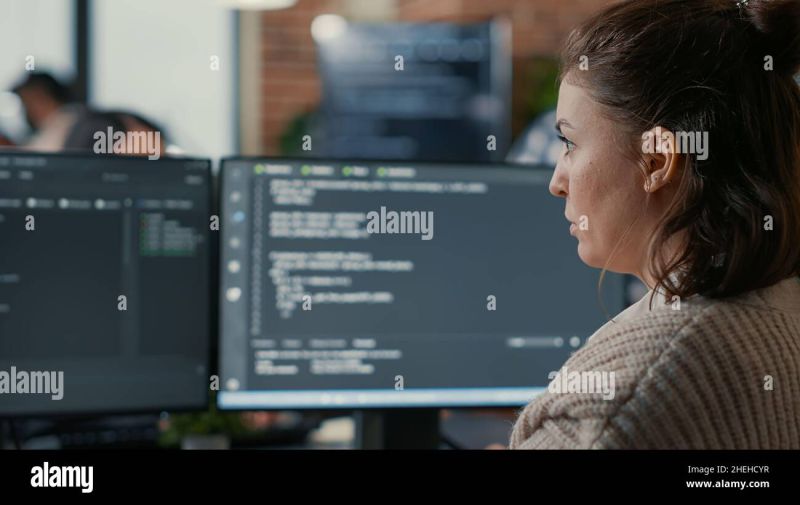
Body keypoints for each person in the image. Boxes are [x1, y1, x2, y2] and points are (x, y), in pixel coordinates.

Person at [510, 0, 800, 449]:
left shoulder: (616, 403)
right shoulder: (783, 305)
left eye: (570, 142)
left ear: (657, 160)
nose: (556, 182)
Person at [11, 72, 84, 151]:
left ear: (39, 96)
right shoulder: (51, 124)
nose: (27, 111)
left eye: (27, 103)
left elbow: (36, 156)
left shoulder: (66, 121)